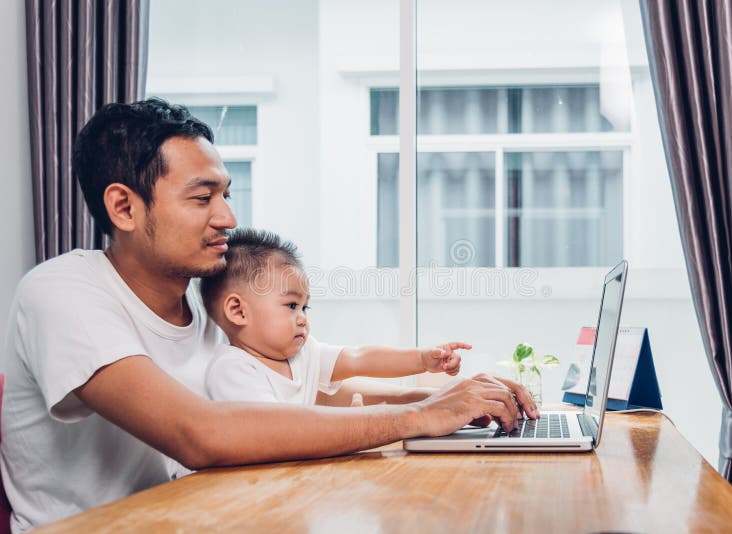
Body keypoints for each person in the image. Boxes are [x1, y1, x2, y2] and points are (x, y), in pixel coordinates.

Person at [0, 98, 538, 532]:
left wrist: (443, 400)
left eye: (227, 194)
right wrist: (416, 419)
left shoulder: (204, 299)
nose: (228, 217)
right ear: (124, 208)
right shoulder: (62, 292)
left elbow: (296, 394)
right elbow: (199, 433)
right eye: (202, 197)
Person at [201, 228, 469, 405]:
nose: (303, 318)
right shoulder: (233, 370)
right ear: (238, 311)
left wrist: (422, 359)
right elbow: (279, 430)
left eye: (305, 308)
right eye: (291, 305)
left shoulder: (304, 354)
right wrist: (351, 427)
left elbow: (360, 358)